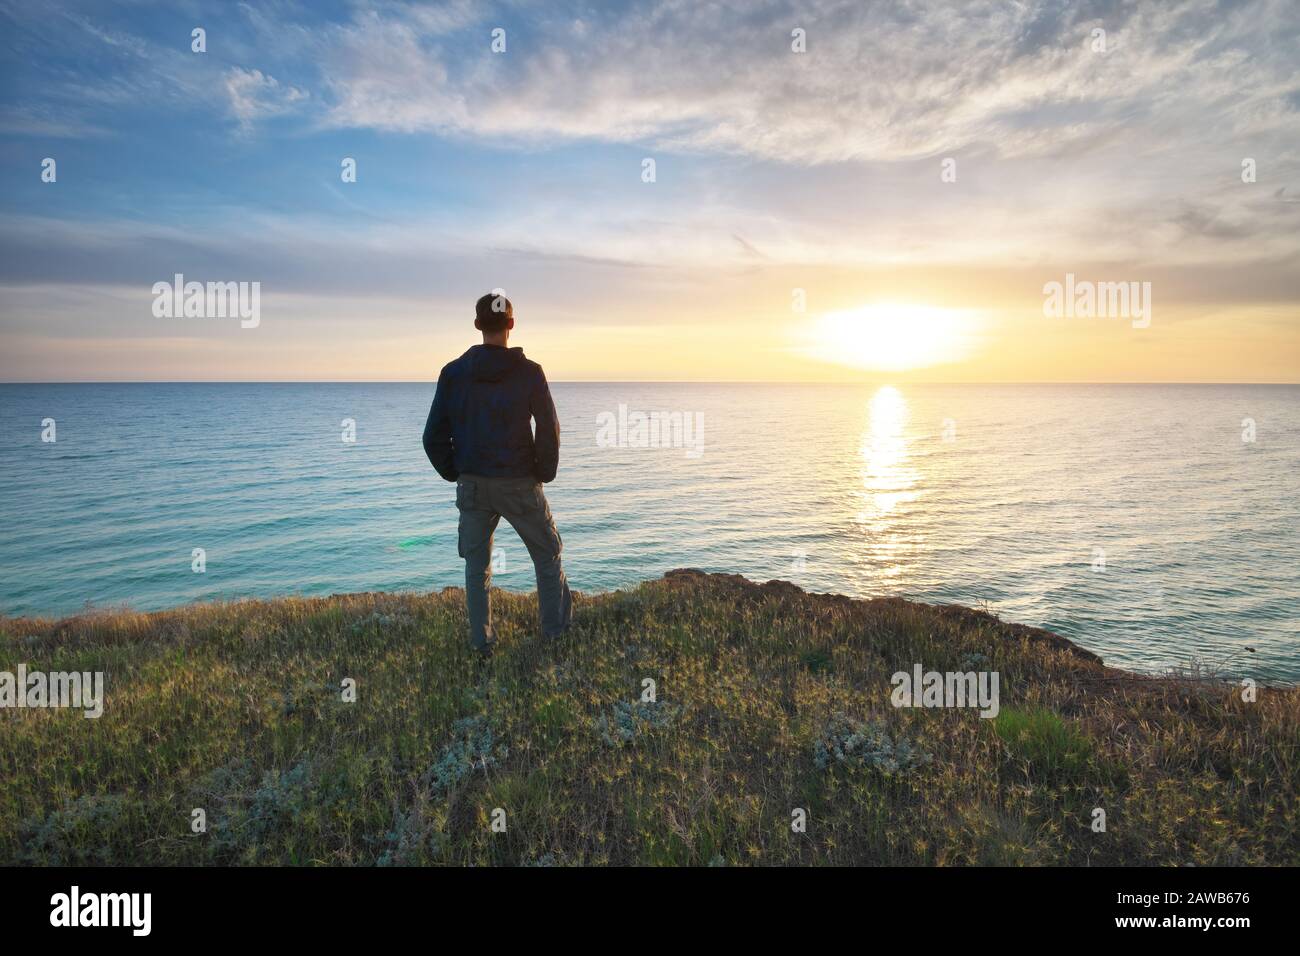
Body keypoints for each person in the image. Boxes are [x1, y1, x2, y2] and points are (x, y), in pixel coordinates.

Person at [422, 292, 572, 657]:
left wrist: (456, 471)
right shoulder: (530, 372)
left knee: (477, 568)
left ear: (477, 325)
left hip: (473, 484)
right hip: (519, 482)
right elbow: (549, 429)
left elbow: (432, 437)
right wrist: (543, 473)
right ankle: (554, 638)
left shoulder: (453, 373)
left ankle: (482, 646)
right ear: (511, 325)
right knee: (547, 556)